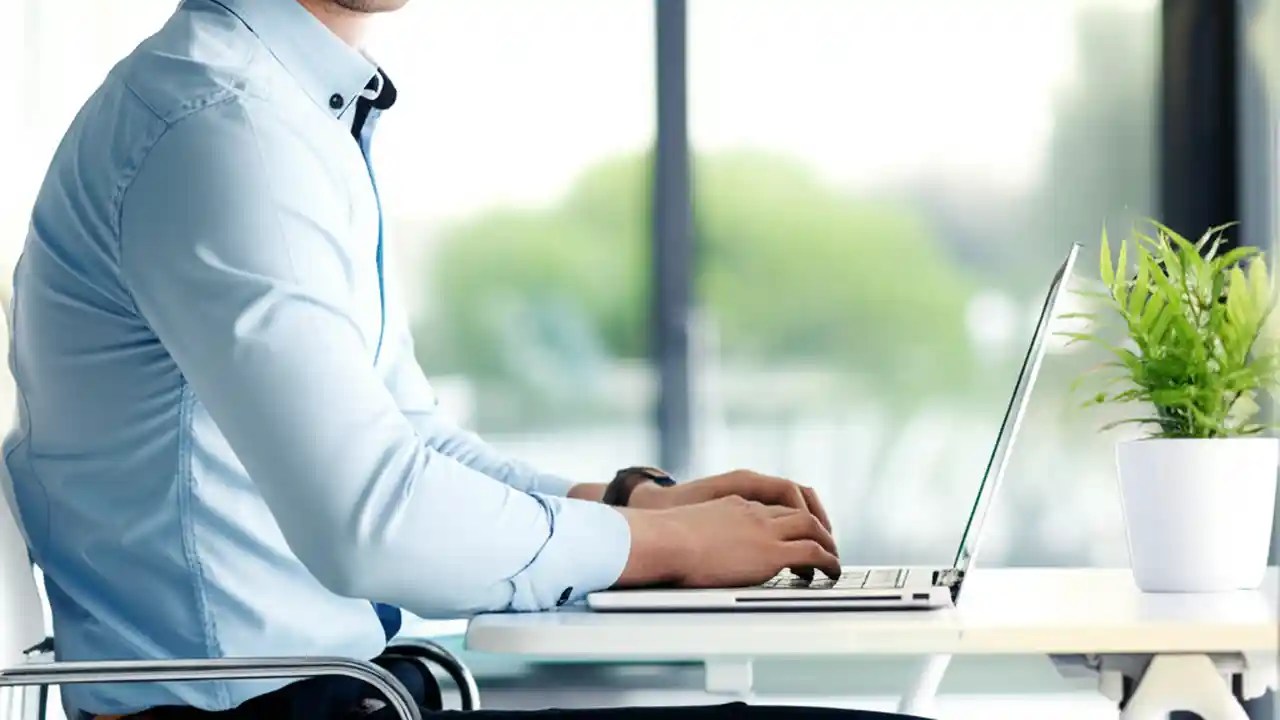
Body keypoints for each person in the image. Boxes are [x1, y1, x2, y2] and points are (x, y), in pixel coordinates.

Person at [2, 1, 918, 718]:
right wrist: (669, 548)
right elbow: (373, 522)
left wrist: (626, 506)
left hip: (348, 696)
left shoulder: (279, 109)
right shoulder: (219, 128)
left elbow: (409, 439)